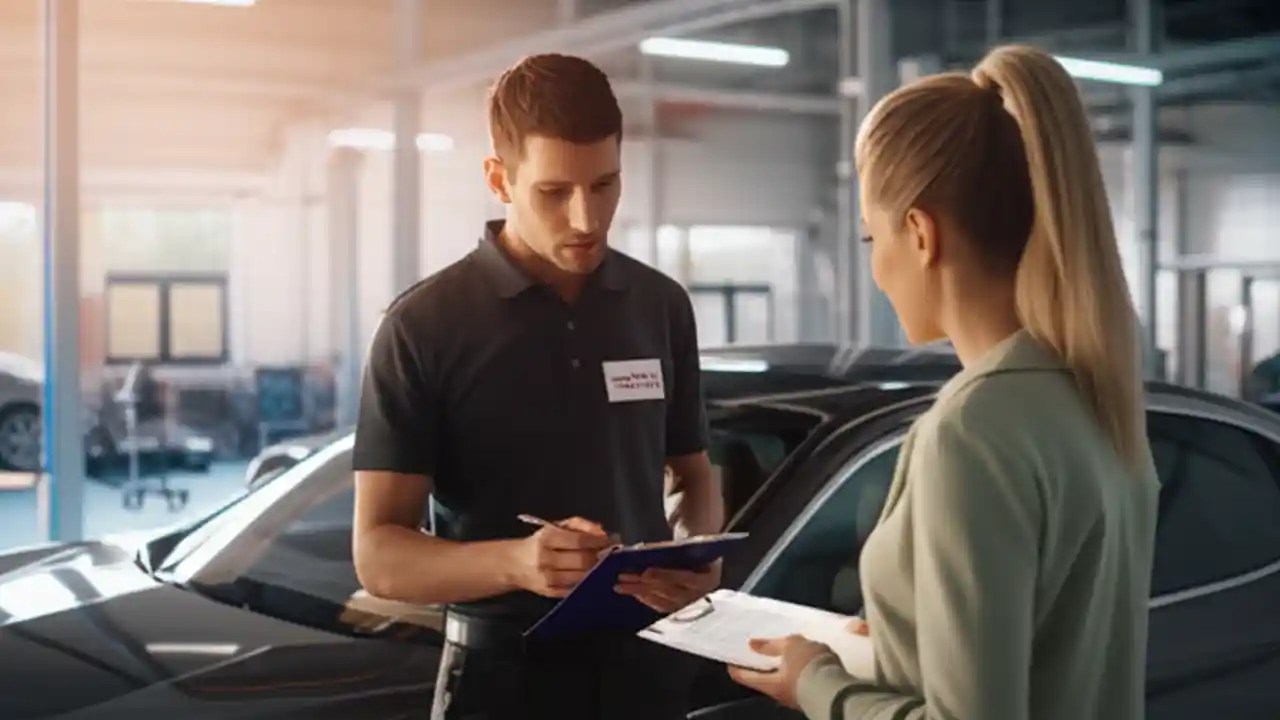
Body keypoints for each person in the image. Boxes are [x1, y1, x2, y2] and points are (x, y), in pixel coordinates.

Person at [729, 44, 1160, 719]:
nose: (876, 267)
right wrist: (896, 647)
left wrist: (816, 684)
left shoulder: (972, 432)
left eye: (871, 239)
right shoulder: (1091, 398)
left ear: (920, 234)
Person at [350, 53, 723, 720]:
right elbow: (378, 556)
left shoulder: (660, 306)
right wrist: (517, 564)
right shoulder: (423, 327)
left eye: (605, 185)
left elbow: (692, 476)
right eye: (554, 192)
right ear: (499, 178)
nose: (586, 219)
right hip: (500, 684)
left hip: (647, 677)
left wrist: (697, 556)